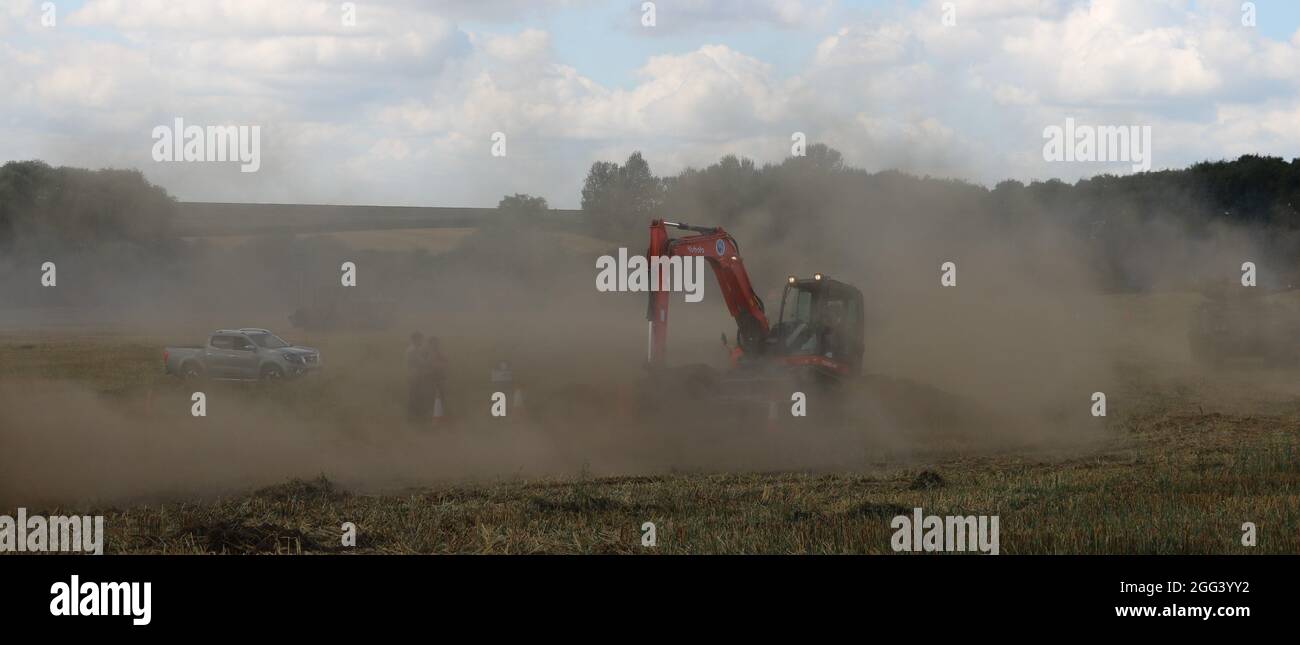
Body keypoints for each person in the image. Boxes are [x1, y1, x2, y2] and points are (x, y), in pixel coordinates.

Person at [425, 336, 449, 421]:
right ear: (430, 344)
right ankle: (432, 418)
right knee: (431, 398)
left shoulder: (440, 352)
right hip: (431, 379)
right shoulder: (427, 353)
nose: (436, 345)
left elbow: (446, 361)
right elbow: (428, 365)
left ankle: (441, 417)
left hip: (440, 378)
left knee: (442, 398)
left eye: (437, 343)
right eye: (434, 343)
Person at [405, 332, 427, 423]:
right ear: (415, 340)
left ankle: (414, 416)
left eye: (421, 339)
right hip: (415, 375)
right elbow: (421, 363)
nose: (421, 341)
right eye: (420, 339)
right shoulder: (413, 350)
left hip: (414, 375)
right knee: (414, 396)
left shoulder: (413, 349)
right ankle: (413, 417)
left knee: (415, 396)